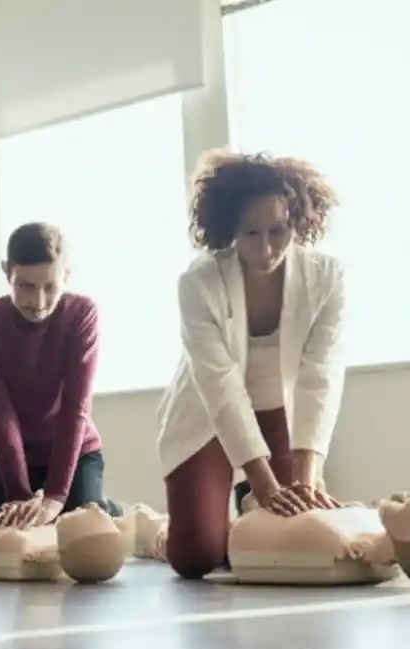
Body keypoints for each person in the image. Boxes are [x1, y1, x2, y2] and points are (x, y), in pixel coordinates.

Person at [155, 150, 347, 580]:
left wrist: (307, 477)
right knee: (197, 557)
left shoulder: (327, 277)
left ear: (297, 220)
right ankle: (152, 530)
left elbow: (320, 377)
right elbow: (219, 386)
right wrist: (264, 482)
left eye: (278, 231)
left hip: (280, 413)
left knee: (297, 528)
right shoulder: (197, 284)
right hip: (208, 415)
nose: (266, 249)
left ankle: (246, 508)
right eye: (251, 233)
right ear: (229, 231)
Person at [0, 222, 120, 565]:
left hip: (74, 454)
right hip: (13, 457)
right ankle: (82, 501)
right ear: (7, 272)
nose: (38, 302)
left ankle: (108, 507)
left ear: (66, 276)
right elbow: (0, 414)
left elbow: (75, 409)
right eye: (25, 286)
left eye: (50, 287)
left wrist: (54, 496)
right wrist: (18, 496)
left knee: (85, 539)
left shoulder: (82, 313)